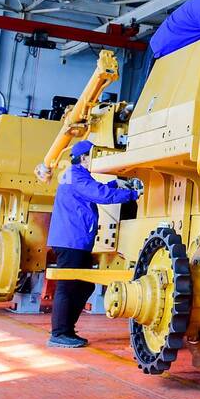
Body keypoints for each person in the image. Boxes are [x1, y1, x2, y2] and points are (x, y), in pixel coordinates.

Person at [45, 140, 141, 348]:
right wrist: (133, 194)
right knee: (68, 286)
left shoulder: (74, 175)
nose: (96, 160)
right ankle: (59, 333)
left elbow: (96, 189)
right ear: (85, 158)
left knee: (84, 284)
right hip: (71, 240)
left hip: (73, 239)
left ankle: (66, 330)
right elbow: (99, 195)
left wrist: (115, 184)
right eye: (94, 156)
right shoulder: (76, 175)